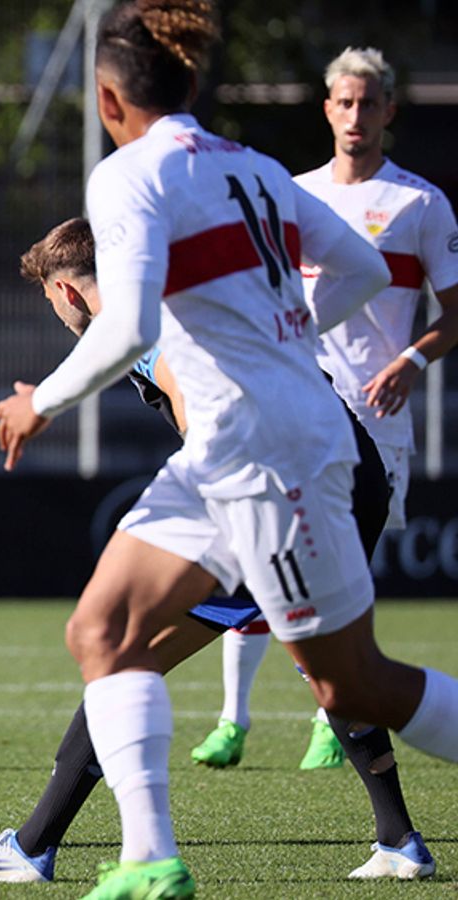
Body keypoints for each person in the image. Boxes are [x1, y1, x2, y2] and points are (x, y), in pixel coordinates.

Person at [0, 2, 458, 896]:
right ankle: (147, 860)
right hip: (272, 438)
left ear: (106, 97)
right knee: (110, 633)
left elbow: (127, 327)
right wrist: (285, 340)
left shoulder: (129, 177)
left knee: (350, 683)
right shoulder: (261, 171)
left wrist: (38, 403)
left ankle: (144, 855)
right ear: (193, 86)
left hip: (257, 444)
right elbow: (359, 275)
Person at [0, 218, 433, 885]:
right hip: (348, 471)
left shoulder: (148, 327)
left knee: (116, 647)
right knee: (336, 672)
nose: (56, 314)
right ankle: (400, 841)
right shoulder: (173, 296)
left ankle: (39, 849)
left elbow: (201, 411)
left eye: (51, 300)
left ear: (67, 291)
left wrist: (208, 514)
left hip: (276, 491)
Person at [191, 45, 458, 774]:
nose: (355, 115)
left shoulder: (420, 204)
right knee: (254, 552)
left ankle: (328, 714)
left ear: (388, 112)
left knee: (343, 572)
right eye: (344, 101)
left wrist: (411, 360)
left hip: (374, 415)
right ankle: (232, 720)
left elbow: (455, 312)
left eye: (369, 102)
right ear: (327, 109)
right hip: (291, 403)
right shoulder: (291, 193)